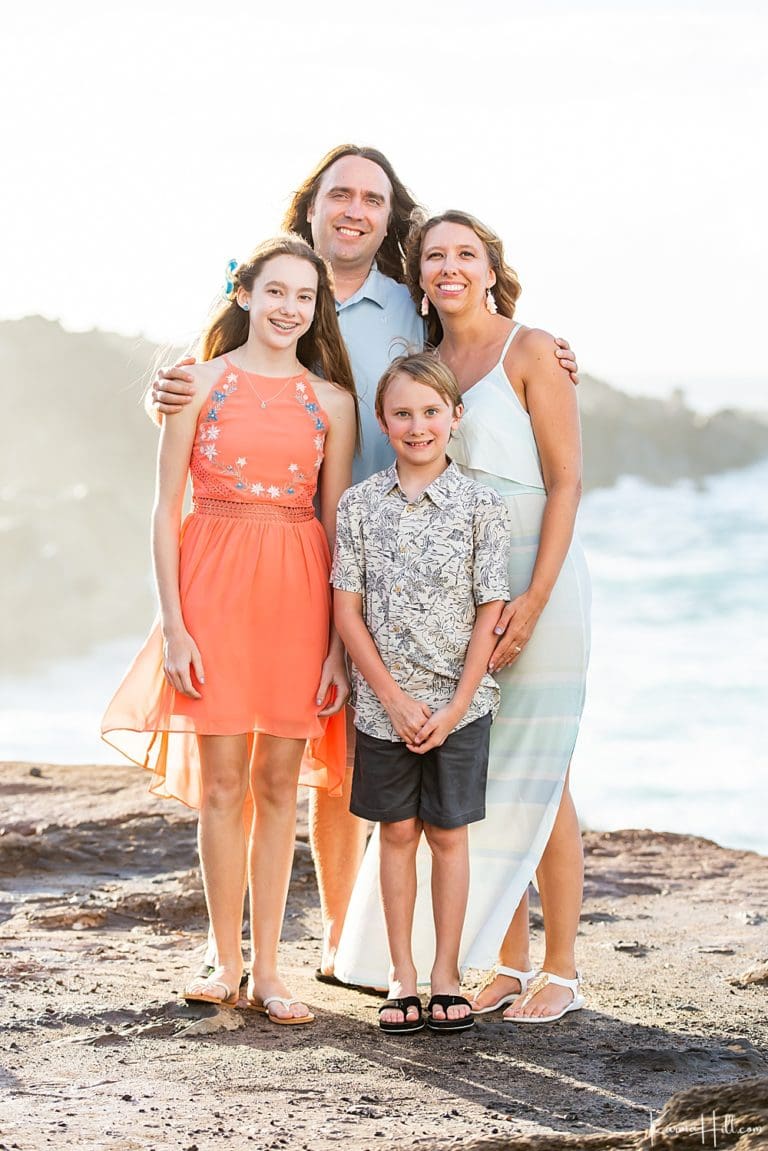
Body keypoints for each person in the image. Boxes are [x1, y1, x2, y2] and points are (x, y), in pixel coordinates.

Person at [149, 144, 579, 984]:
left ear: (391, 219)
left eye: (373, 199)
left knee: (434, 754)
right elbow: (211, 389)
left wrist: (555, 356)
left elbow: (476, 357)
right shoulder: (277, 287)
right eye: (338, 193)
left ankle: (447, 951)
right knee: (315, 756)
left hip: (428, 551)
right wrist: (169, 387)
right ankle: (288, 946)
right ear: (309, 207)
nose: (354, 209)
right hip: (301, 551)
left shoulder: (411, 309)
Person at [333, 211, 590, 1026]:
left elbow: (568, 482)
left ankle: (562, 968)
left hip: (536, 571)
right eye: (435, 255)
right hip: (452, 590)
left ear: (489, 267)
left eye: (465, 254)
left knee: (545, 770)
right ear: (420, 276)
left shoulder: (533, 350)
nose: (450, 266)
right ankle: (504, 960)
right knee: (481, 771)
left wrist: (535, 599)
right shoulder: (428, 367)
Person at [102, 235, 358, 1023]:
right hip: (211, 592)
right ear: (244, 293)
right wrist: (174, 625)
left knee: (280, 784)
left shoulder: (333, 402)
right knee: (220, 784)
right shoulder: (196, 382)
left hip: (297, 594)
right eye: (275, 291)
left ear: (317, 310)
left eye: (304, 297)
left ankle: (273, 970)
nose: (289, 308)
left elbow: (338, 524)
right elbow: (164, 510)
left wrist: (338, 646)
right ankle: (224, 954)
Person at [332, 353, 510, 1033]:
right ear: (383, 421)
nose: (417, 425)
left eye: (431, 411)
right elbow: (348, 613)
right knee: (397, 832)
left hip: (461, 704)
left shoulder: (480, 506)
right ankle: (401, 974)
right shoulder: (359, 506)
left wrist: (458, 703)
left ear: (454, 418)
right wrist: (396, 700)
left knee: (448, 833)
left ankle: (446, 974)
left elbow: (491, 610)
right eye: (403, 413)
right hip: (385, 707)